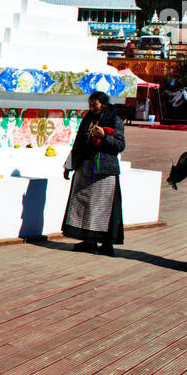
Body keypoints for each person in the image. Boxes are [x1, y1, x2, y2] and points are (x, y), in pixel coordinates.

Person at [61, 91, 126, 256]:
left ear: (103, 104)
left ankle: (107, 243)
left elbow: (120, 145)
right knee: (84, 204)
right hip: (85, 167)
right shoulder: (88, 119)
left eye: (94, 105)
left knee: (104, 208)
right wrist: (70, 165)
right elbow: (78, 142)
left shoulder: (115, 121)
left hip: (105, 171)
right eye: (89, 104)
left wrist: (105, 137)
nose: (91, 107)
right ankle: (88, 241)